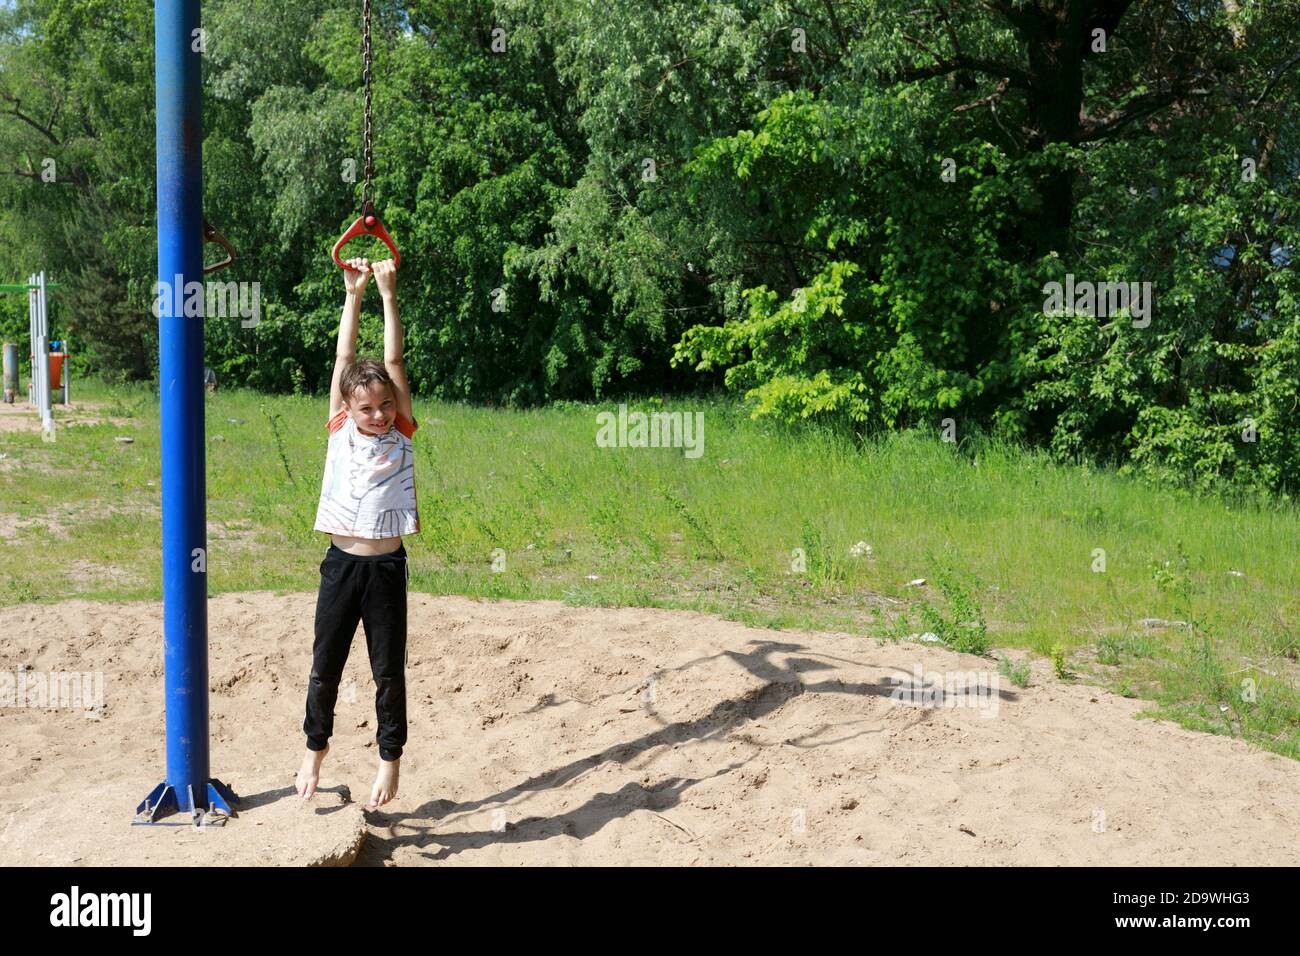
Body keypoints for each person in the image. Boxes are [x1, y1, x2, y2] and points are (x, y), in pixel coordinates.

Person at [296, 256, 418, 809]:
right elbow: (345, 358)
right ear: (347, 408)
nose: (378, 415)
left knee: (388, 672)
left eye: (385, 405)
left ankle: (389, 760)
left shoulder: (402, 432)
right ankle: (314, 751)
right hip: (342, 564)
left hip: (387, 568)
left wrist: (388, 295)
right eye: (367, 407)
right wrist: (353, 294)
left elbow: (391, 358)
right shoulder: (341, 429)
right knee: (326, 667)